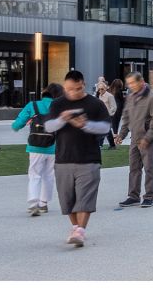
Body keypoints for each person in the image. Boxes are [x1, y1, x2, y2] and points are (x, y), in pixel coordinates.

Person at [39, 70, 113, 250]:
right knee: (67, 199)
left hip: (89, 159)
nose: (74, 92)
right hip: (63, 158)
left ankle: (80, 230)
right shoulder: (58, 104)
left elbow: (105, 127)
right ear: (65, 87)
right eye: (70, 89)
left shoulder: (95, 104)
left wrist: (85, 125)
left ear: (84, 84)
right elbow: (48, 126)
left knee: (85, 198)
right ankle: (75, 227)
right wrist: (62, 120)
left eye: (78, 89)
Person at [115, 71, 153, 209]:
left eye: (132, 83)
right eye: (128, 83)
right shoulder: (130, 97)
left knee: (149, 168)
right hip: (135, 139)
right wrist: (121, 135)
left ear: (141, 82)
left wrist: (147, 139)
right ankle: (133, 196)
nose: (130, 86)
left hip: (148, 140)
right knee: (134, 168)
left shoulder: (152, 98)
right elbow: (126, 118)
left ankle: (148, 197)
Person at [13, 82, 60, 215]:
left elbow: (18, 124)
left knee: (34, 175)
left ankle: (33, 203)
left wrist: (16, 126)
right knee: (49, 175)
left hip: (35, 146)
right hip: (53, 146)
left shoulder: (32, 105)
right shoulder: (59, 106)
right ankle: (43, 203)